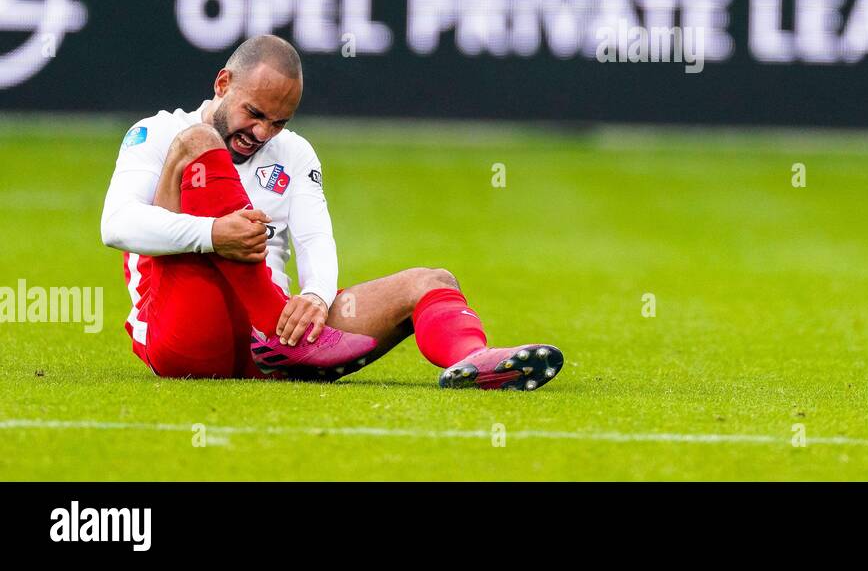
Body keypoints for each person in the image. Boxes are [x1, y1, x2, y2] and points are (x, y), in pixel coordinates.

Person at [100, 34, 563, 389]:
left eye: (278, 122)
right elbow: (116, 225)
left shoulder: (296, 153)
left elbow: (315, 240)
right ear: (223, 83)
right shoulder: (160, 133)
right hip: (185, 336)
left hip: (269, 347)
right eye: (254, 113)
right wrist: (212, 234)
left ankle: (473, 361)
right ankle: (278, 327)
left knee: (433, 281)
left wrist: (317, 299)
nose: (262, 132)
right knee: (200, 143)